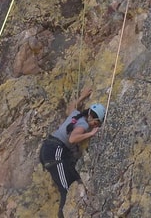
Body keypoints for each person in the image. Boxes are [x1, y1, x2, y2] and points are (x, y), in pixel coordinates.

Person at [39, 88, 105, 218]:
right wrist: (90, 133)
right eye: (96, 123)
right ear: (92, 118)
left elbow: (70, 107)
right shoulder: (83, 125)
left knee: (73, 178)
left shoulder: (76, 115)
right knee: (66, 189)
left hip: (49, 149)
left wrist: (82, 96)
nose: (94, 125)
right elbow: (72, 139)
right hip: (55, 151)